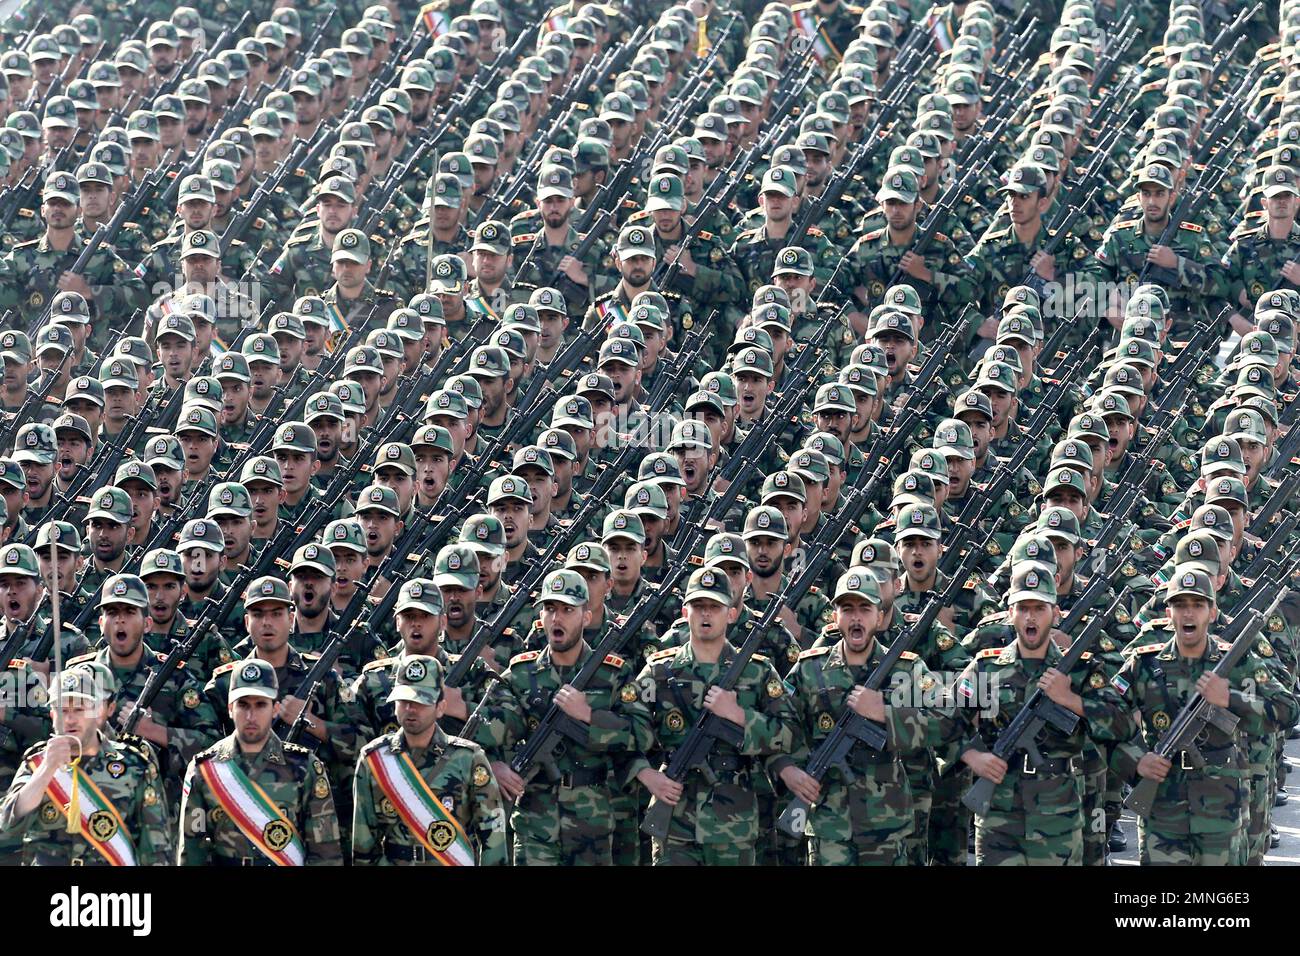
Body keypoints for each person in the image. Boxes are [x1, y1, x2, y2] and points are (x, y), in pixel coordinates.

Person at [0, 662, 173, 865]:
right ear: (52, 715)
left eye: (79, 709)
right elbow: (8, 825)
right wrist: (46, 770)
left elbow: (156, 850)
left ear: (97, 712)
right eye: (63, 710)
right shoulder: (36, 763)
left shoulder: (135, 766)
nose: (70, 719)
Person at [178, 658, 342, 865]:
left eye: (260, 705)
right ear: (230, 709)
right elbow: (192, 851)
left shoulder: (305, 767)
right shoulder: (205, 770)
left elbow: (325, 851)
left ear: (275, 709)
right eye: (243, 705)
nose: (251, 715)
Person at [351, 654, 506, 865]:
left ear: (440, 707)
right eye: (404, 701)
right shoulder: (375, 759)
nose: (410, 709)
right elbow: (364, 843)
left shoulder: (468, 758)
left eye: (420, 701)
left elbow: (492, 836)